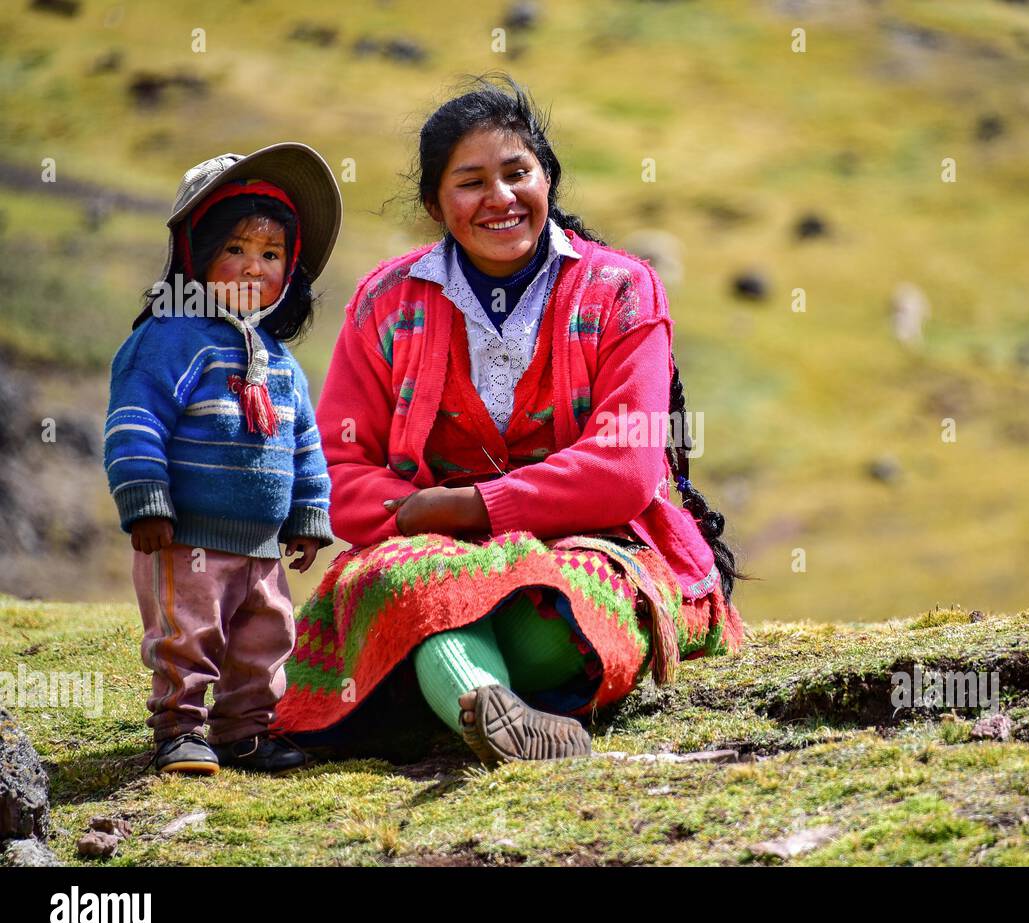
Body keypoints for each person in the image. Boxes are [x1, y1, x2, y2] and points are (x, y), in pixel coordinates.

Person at [272, 75, 748, 767]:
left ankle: (452, 690)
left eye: (516, 173)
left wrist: (462, 506)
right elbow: (336, 472)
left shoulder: (621, 290)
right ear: (435, 203)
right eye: (470, 182)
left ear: (547, 180)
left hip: (591, 543)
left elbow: (625, 467)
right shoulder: (385, 302)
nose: (499, 199)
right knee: (406, 581)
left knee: (549, 604)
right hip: (424, 550)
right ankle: (506, 716)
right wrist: (419, 524)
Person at [103, 144, 342, 775]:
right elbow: (135, 422)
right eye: (235, 248)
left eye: (271, 255)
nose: (252, 267)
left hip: (261, 546)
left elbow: (304, 441)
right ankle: (180, 729)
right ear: (194, 252)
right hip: (187, 539)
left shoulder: (279, 359)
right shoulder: (167, 339)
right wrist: (145, 501)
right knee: (188, 635)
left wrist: (308, 514)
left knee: (265, 638)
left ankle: (244, 731)